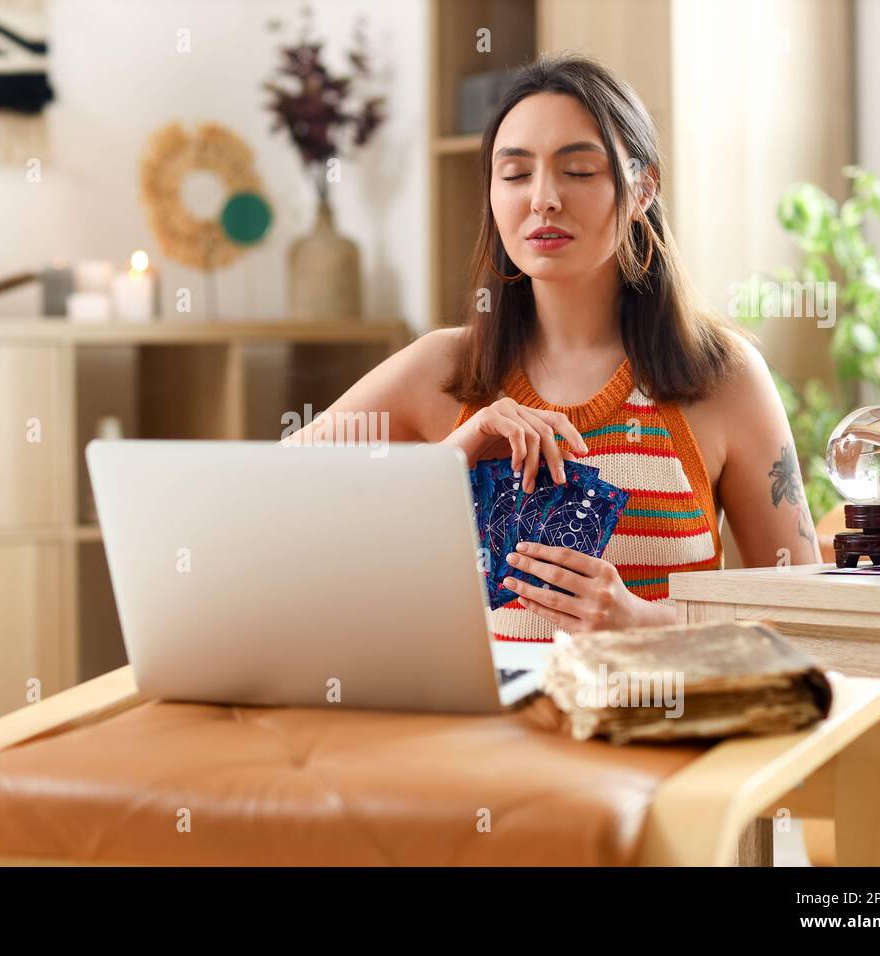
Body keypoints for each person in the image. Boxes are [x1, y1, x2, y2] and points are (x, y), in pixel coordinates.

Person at [283, 52, 822, 639]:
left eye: (579, 171)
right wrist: (450, 459)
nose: (543, 198)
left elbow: (808, 620)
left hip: (651, 724)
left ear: (642, 188)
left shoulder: (725, 378)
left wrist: (643, 623)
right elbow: (266, 504)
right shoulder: (441, 369)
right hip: (477, 729)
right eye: (515, 174)